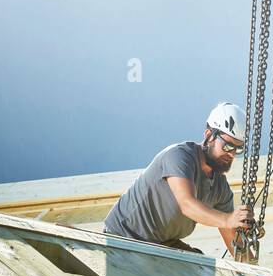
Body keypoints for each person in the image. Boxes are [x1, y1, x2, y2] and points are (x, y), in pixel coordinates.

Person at [103, 102, 251, 254]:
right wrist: (228, 219)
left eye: (238, 149)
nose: (232, 154)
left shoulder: (221, 189)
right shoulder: (179, 156)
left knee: (202, 269)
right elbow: (187, 204)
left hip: (162, 243)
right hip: (124, 238)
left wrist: (252, 264)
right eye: (227, 146)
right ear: (208, 136)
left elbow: (234, 240)